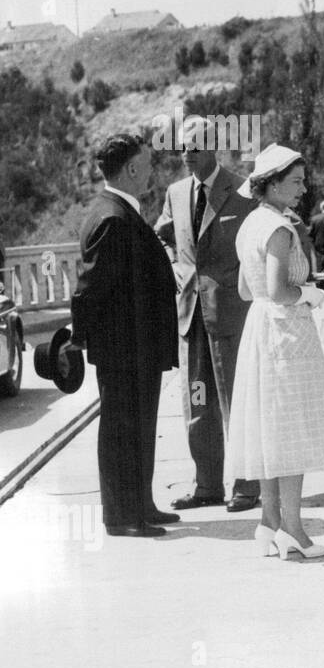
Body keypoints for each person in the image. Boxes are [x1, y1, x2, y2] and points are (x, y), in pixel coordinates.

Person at [226, 144, 324, 560]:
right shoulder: (278, 228)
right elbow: (279, 290)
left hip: (259, 328)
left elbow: (246, 289)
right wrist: (310, 293)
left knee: (270, 429)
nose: (302, 188)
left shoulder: (249, 224)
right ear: (272, 184)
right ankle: (293, 529)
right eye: (294, 182)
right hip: (285, 332)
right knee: (291, 430)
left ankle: (269, 522)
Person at [69, 133, 180, 537]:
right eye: (147, 163)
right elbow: (90, 288)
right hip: (123, 349)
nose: (152, 170)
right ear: (131, 169)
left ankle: (141, 504)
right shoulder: (113, 218)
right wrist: (79, 339)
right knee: (122, 430)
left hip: (138, 346)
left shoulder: (117, 210)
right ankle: (120, 516)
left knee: (140, 427)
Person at [155, 123, 259, 512]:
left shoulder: (243, 190)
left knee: (237, 401)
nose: (187, 153)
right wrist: (176, 269)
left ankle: (248, 486)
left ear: (215, 147)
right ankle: (207, 486)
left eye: (196, 146)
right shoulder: (176, 193)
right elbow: (163, 236)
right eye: (182, 147)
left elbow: (261, 241)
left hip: (233, 314)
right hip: (190, 315)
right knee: (197, 401)